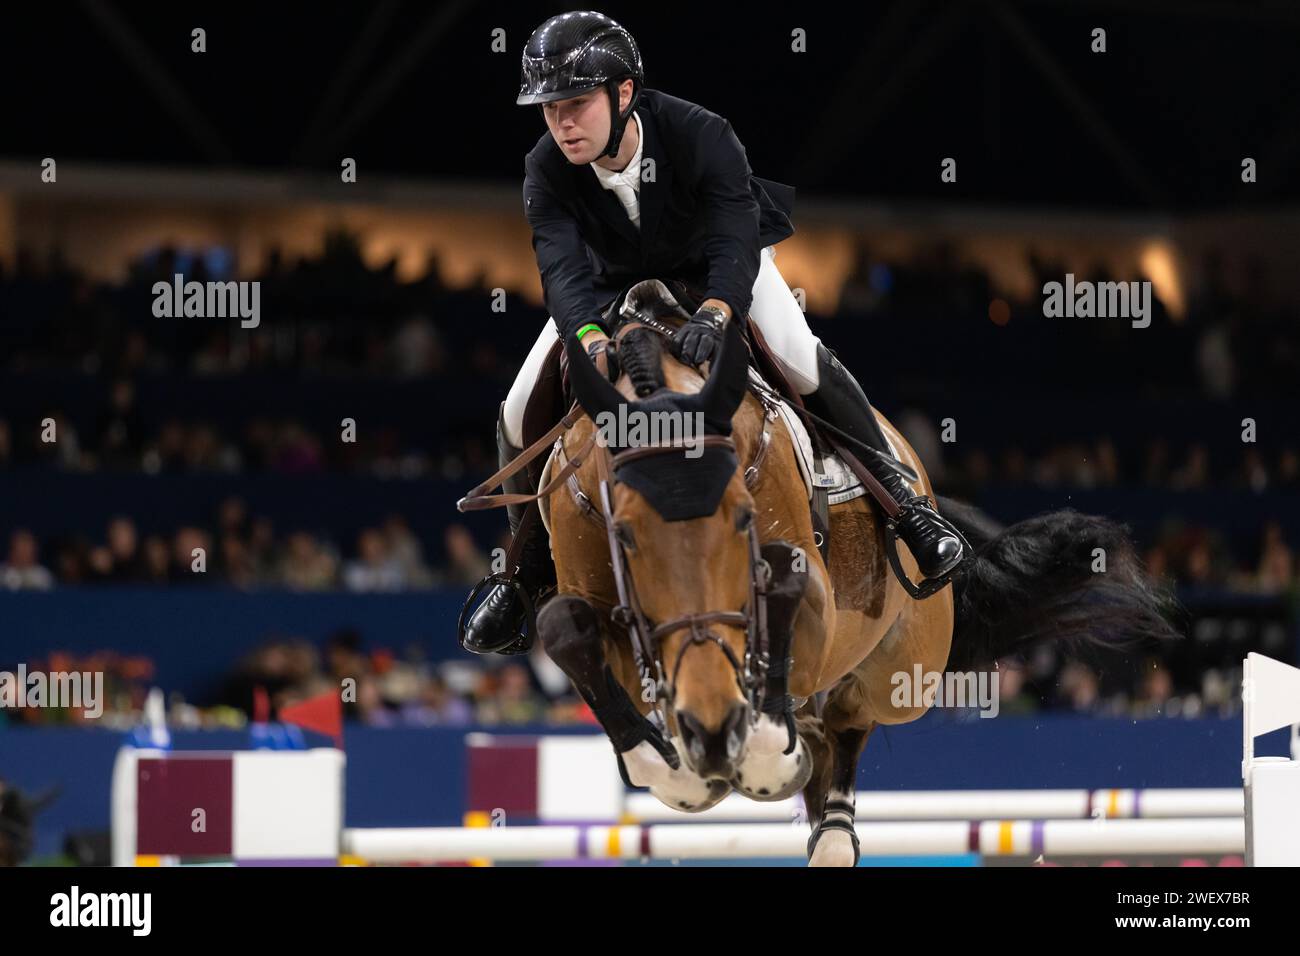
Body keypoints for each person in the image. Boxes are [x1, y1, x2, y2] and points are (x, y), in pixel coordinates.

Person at [463, 11, 963, 655]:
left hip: (719, 269)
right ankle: (524, 573)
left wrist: (720, 312)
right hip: (610, 290)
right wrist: (588, 340)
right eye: (550, 107)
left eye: (576, 103)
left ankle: (908, 509)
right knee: (513, 407)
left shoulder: (699, 132)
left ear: (623, 94)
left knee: (799, 357)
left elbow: (733, 235)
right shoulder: (545, 167)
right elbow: (560, 271)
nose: (562, 122)